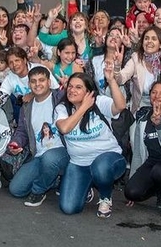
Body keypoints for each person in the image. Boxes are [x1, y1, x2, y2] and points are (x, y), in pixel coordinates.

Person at [56, 71, 127, 218]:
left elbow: (120, 106)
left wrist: (111, 80)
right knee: (68, 207)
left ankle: (105, 197)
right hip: (79, 163)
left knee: (100, 167)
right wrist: (83, 108)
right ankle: (86, 186)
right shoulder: (62, 108)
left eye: (78, 87)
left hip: (108, 159)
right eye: (70, 86)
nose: (72, 90)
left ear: (88, 92)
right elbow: (64, 128)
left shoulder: (99, 102)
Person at [8, 66, 70, 206]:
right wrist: (16, 143)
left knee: (50, 158)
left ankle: (38, 191)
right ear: (29, 84)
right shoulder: (26, 106)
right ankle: (53, 179)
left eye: (41, 80)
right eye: (33, 81)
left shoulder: (60, 97)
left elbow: (78, 97)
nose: (37, 84)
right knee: (16, 189)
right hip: (39, 154)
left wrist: (68, 88)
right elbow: (22, 131)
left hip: (63, 151)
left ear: (49, 82)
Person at [125, 81, 161, 211]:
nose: (157, 96)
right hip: (152, 162)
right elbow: (137, 154)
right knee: (131, 192)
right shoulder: (143, 119)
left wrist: (159, 124)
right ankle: (159, 189)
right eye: (154, 92)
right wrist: (132, 178)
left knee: (159, 171)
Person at [118, 26, 161, 113]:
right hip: (139, 109)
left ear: (160, 44)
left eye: (154, 39)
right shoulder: (136, 58)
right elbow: (120, 79)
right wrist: (116, 67)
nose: (149, 41)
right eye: (146, 38)